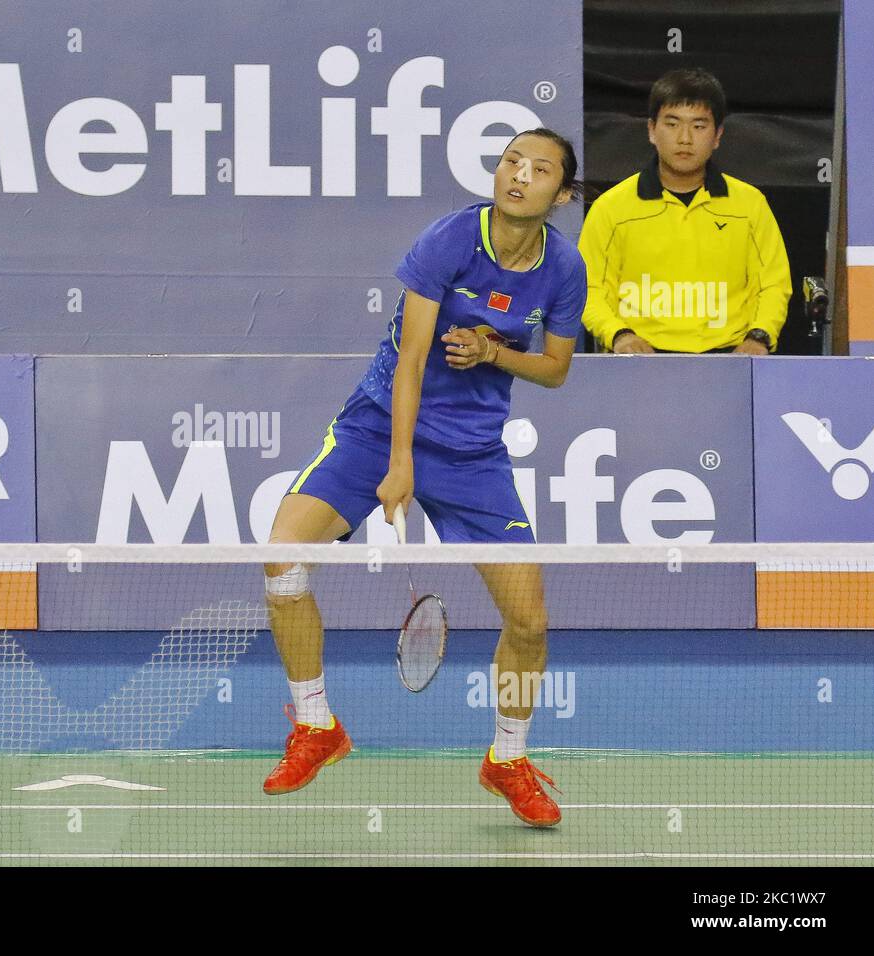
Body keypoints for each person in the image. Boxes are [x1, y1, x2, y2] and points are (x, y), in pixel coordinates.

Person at [262, 129, 587, 828]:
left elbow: (557, 368)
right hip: (379, 426)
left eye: (538, 170)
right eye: (510, 162)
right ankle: (316, 725)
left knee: (529, 619)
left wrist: (494, 356)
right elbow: (410, 360)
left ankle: (508, 758)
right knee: (283, 558)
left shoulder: (563, 268)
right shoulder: (449, 240)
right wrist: (399, 462)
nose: (518, 176)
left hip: (472, 452)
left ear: (561, 194)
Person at [579, 68, 790, 354]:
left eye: (699, 126)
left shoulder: (750, 205)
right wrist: (619, 335)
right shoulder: (611, 208)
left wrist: (759, 337)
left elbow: (774, 285)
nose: (685, 138)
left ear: (718, 135)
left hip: (729, 359)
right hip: (638, 361)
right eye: (673, 123)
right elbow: (588, 289)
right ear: (652, 130)